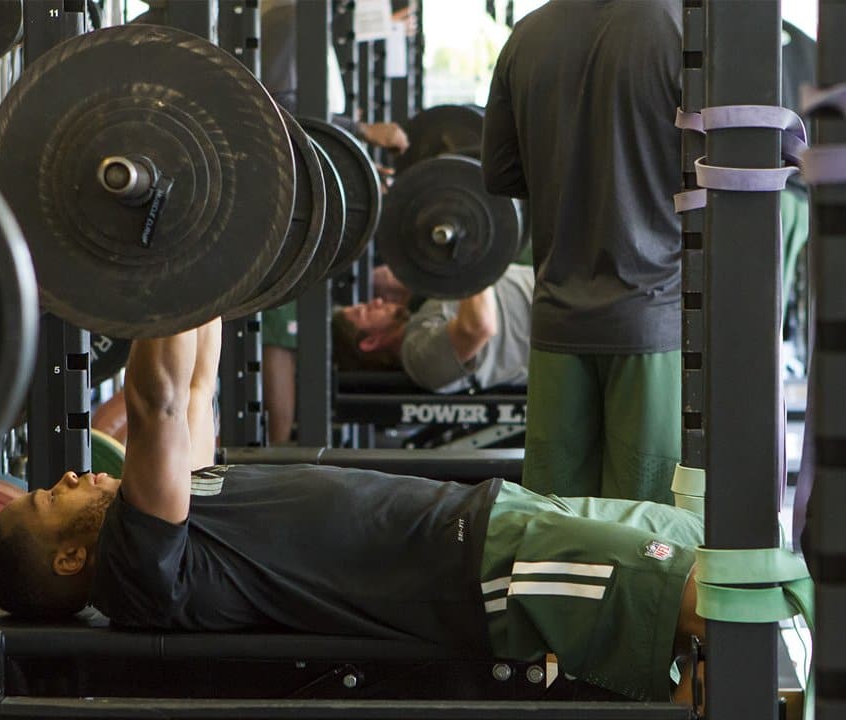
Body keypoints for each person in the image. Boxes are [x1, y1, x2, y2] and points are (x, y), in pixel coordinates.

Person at [0, 318, 708, 704]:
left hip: (494, 518)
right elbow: (157, 403)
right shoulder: (138, 568)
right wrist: (166, 271)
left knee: (707, 561)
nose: (73, 475)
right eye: (55, 498)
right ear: (68, 557)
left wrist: (208, 247)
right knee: (695, 599)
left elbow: (198, 388)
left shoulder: (178, 509)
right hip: (479, 563)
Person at [481, 0, 683, 503]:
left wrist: (570, 169)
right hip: (650, 321)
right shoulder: (683, 26)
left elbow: (500, 172)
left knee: (559, 538)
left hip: (558, 323)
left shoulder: (526, 35)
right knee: (648, 541)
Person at [257, 0, 413, 444]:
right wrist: (362, 132)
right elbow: (278, 110)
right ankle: (271, 456)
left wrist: (357, 167)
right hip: (285, 207)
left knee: (286, 324)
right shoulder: (290, 19)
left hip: (303, 203)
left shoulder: (311, 26)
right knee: (281, 326)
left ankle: (273, 456)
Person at [331, 264, 535, 393]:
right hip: (559, 328)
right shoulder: (419, 358)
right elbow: (478, 327)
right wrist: (474, 260)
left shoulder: (420, 318)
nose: (375, 301)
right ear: (370, 342)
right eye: (364, 311)